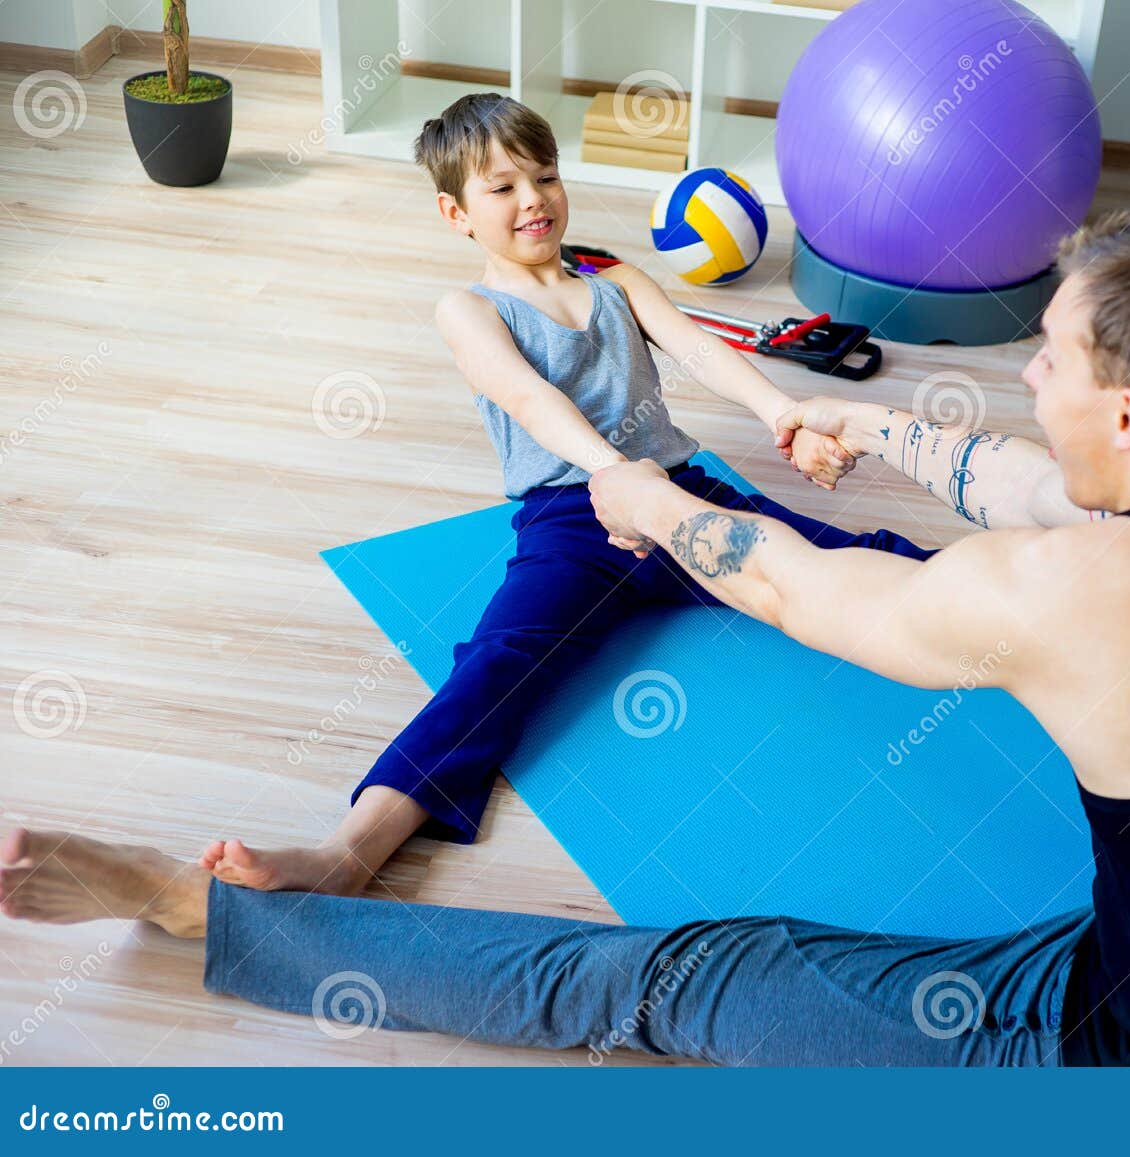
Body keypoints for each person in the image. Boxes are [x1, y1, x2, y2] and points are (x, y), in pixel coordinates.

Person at [0, 213, 1130, 1067]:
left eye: (1051, 357)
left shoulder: (1080, 595)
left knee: (663, 981)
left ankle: (219, 916)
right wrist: (866, 422)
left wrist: (637, 493)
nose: (1026, 375)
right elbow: (1025, 483)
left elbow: (791, 589)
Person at [190, 92, 892, 895]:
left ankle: (1013, 589)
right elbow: (529, 398)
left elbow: (698, 350)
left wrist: (785, 413)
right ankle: (345, 853)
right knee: (495, 664)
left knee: (835, 559)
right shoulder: (469, 309)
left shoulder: (615, 278)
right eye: (502, 187)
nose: (533, 200)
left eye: (546, 177)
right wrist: (614, 476)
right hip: (571, 520)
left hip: (681, 491)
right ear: (456, 213)